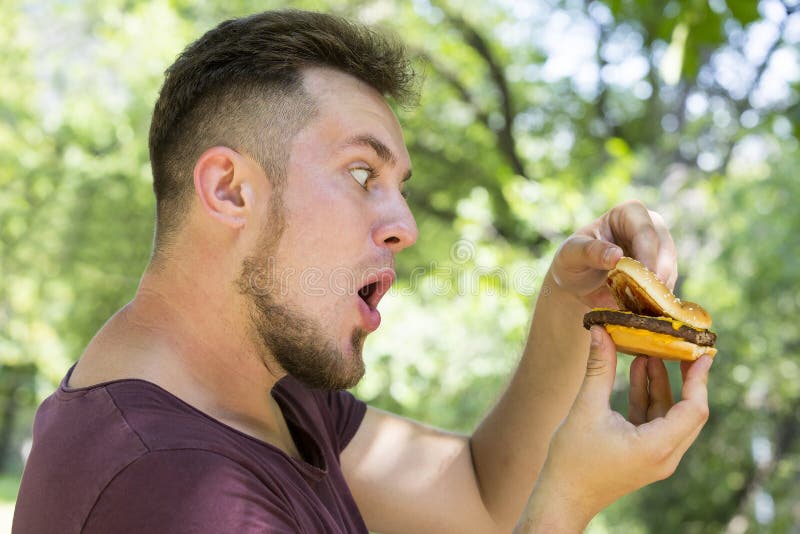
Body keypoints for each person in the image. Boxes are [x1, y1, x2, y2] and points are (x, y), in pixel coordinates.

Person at [13, 9, 712, 533]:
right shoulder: (172, 486)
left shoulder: (270, 394)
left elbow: (479, 496)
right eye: (360, 171)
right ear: (229, 189)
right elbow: (525, 506)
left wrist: (569, 300)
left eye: (399, 185)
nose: (403, 226)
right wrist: (569, 502)